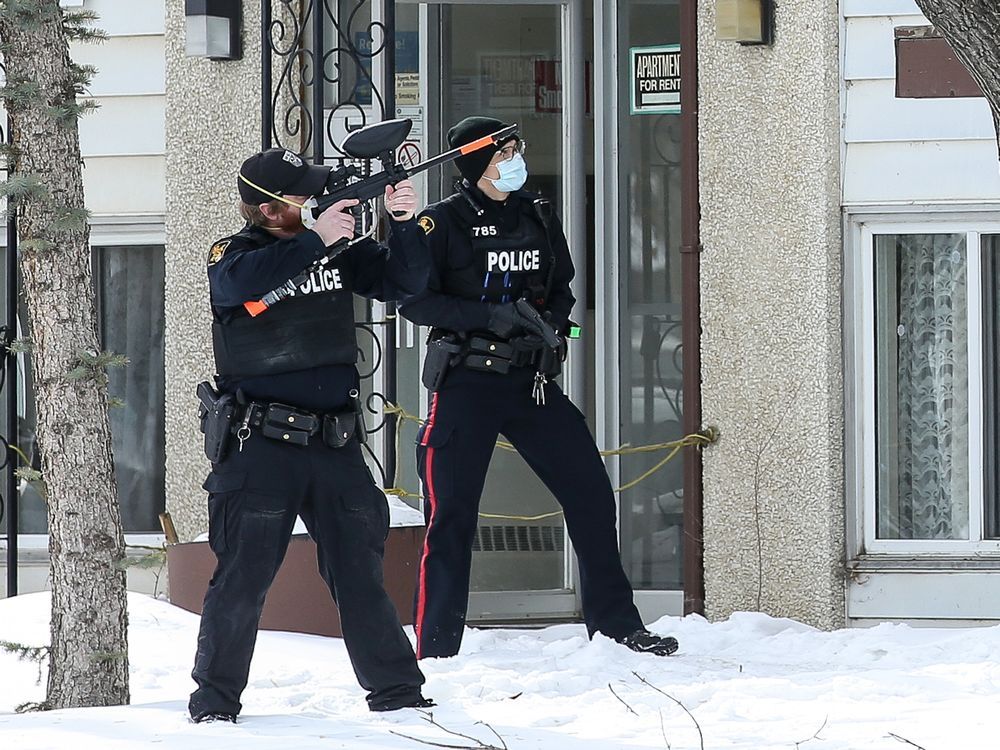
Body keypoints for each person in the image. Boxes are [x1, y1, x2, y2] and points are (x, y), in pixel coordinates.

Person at [398, 116, 680, 660]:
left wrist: (549, 326)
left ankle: (617, 628)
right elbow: (415, 301)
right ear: (476, 166)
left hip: (529, 382)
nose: (515, 160)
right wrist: (491, 317)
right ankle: (435, 647)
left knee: (591, 494)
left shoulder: (537, 214)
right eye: (503, 153)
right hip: (467, 381)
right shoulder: (443, 223)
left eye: (517, 149)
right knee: (451, 515)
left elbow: (562, 285)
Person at [189, 147, 433, 723]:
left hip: (333, 445)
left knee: (360, 575)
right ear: (270, 209)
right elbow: (237, 285)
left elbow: (403, 283)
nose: (319, 203)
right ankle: (215, 703)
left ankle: (398, 694)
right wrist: (315, 240)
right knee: (243, 578)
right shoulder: (235, 254)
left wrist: (403, 225)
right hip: (261, 445)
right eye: (305, 196)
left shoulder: (336, 249)